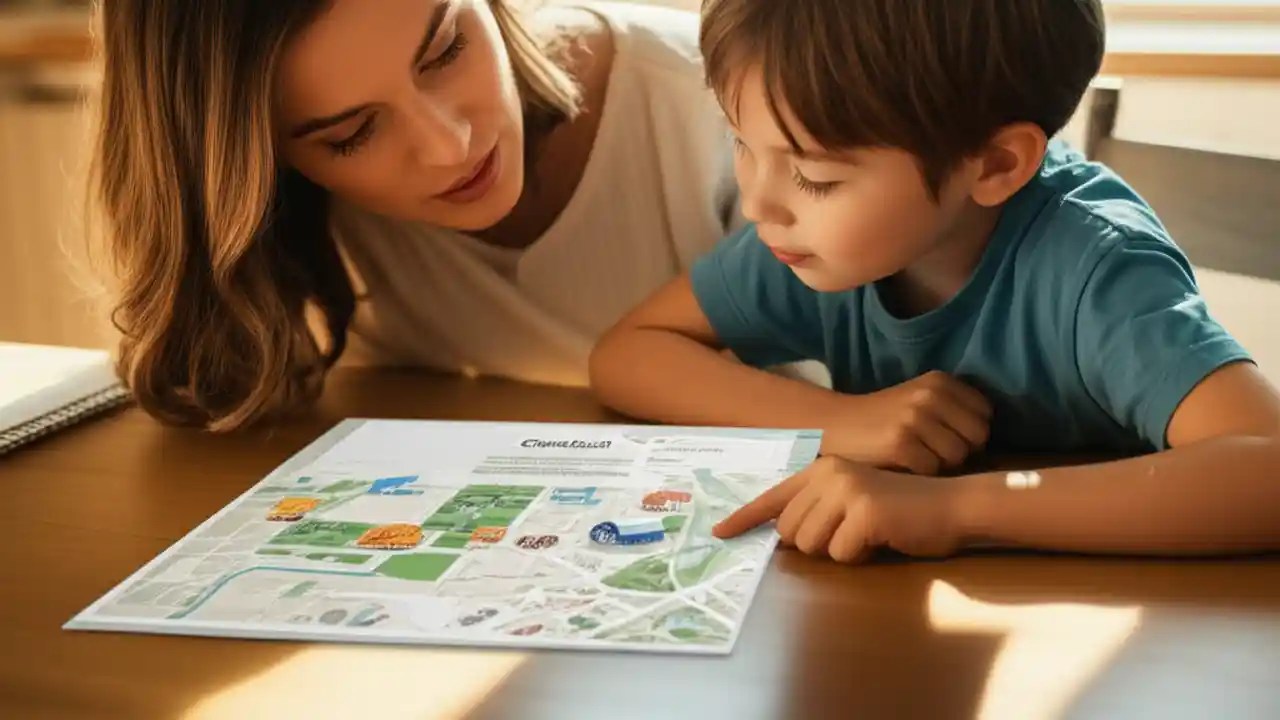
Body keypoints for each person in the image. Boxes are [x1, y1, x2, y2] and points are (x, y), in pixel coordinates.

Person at [589, 0, 1280, 559]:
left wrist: (954, 510)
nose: (759, 202)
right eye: (743, 145)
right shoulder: (813, 243)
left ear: (995, 165)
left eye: (815, 176)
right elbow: (627, 353)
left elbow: (1267, 470)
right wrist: (844, 422)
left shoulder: (1097, 270)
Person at [93, 0, 738, 431]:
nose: (449, 146)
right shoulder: (292, 224)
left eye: (447, 50)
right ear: (259, 163)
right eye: (350, 134)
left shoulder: (727, 108)